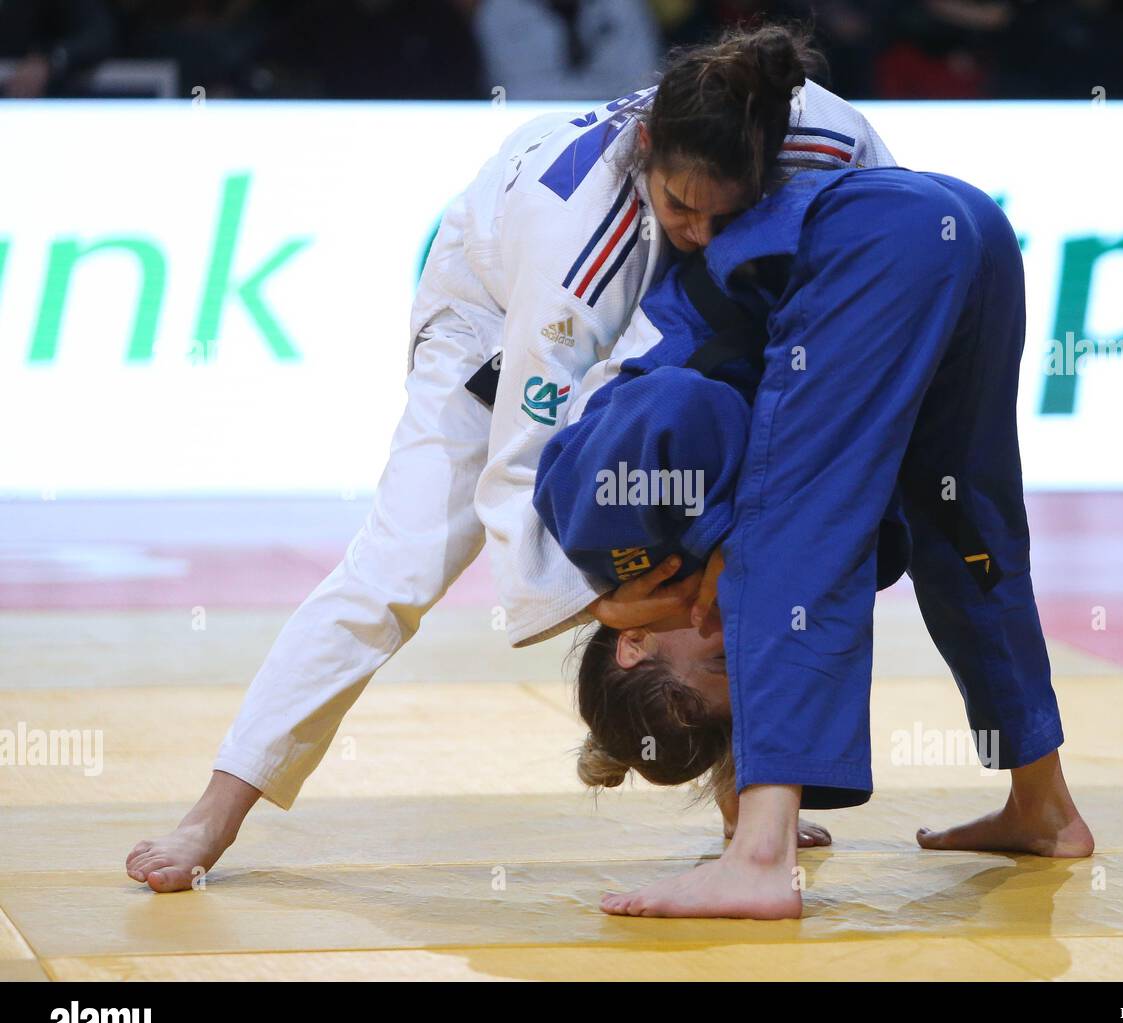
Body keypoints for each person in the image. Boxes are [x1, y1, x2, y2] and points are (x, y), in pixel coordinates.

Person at [125, 25, 894, 892]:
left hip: (667, 326)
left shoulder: (825, 141)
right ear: (646, 149)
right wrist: (613, 601)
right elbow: (522, 467)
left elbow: (876, 263)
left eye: (726, 211)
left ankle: (747, 806)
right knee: (397, 567)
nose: (700, 232)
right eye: (683, 206)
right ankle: (213, 815)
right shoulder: (575, 249)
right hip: (492, 326)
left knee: (751, 541)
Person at [537, 163, 1094, 919]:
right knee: (964, 528)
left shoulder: (603, 532)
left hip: (866, 242)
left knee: (782, 542)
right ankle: (1046, 807)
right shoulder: (678, 603)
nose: (722, 626)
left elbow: (677, 402)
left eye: (719, 653)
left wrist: (723, 537)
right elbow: (854, 540)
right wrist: (744, 792)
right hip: (957, 230)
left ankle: (761, 861)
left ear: (633, 642)